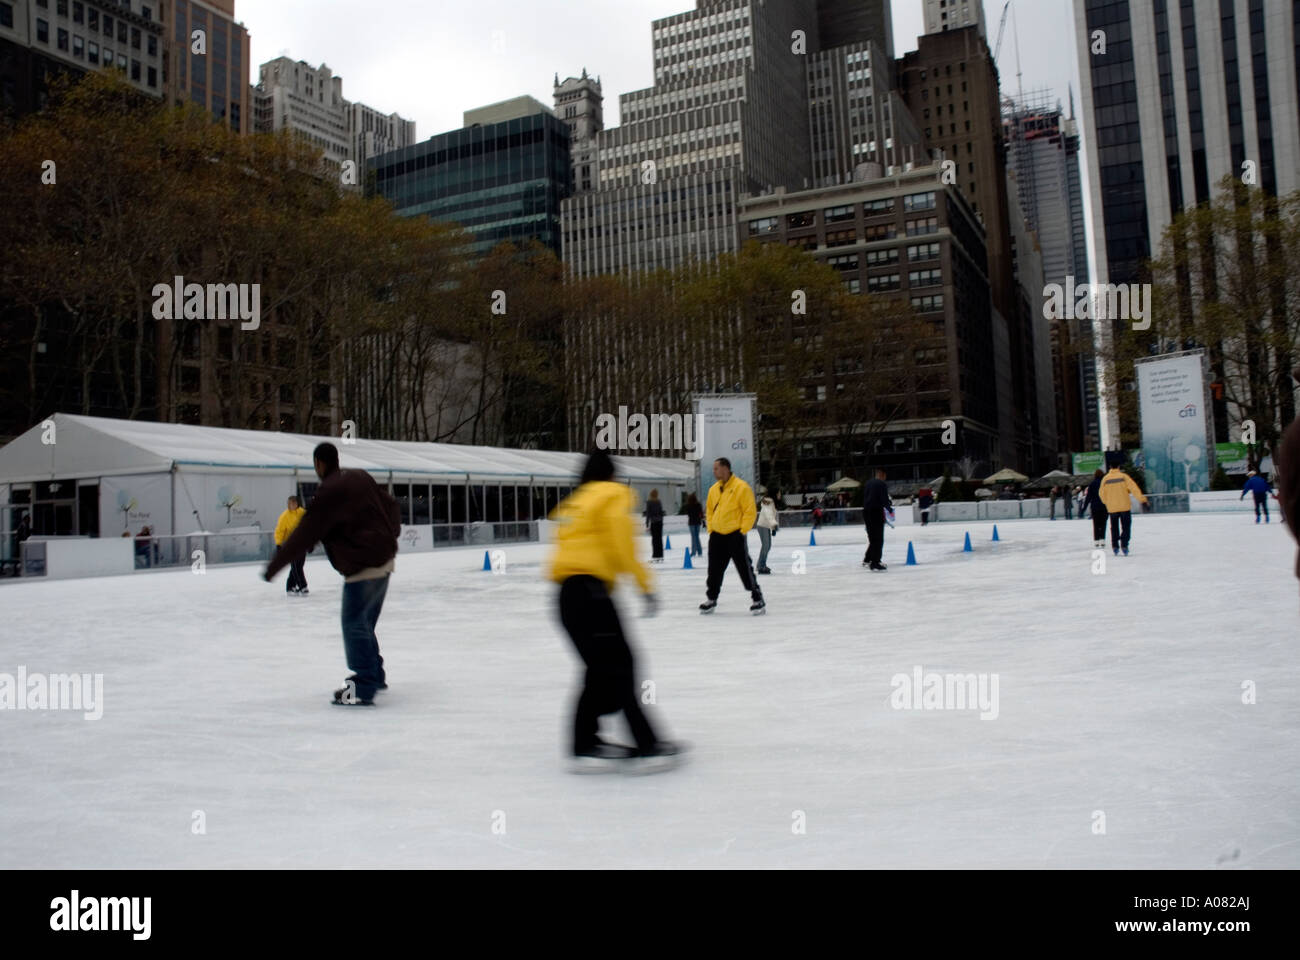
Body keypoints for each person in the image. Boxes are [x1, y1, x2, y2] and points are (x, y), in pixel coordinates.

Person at [546, 450, 682, 773]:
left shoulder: (577, 502)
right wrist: (645, 586)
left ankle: (584, 743)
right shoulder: (611, 496)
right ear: (611, 475)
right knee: (621, 666)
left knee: (600, 669)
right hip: (591, 594)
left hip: (566, 597)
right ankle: (647, 744)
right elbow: (624, 547)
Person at [263, 442, 400, 706]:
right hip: (384, 562)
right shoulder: (360, 476)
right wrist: (388, 535)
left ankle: (362, 685)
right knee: (364, 623)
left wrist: (273, 568)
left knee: (354, 624)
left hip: (362, 568)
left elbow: (302, 535)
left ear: (319, 464)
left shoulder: (328, 491)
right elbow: (392, 504)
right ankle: (375, 674)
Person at [699, 458, 765, 615]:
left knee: (744, 568)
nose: (714, 471)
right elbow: (709, 510)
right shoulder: (713, 489)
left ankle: (757, 598)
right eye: (713, 468)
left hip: (735, 535)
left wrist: (742, 531)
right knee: (714, 570)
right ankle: (711, 598)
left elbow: (749, 511)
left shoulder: (741, 487)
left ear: (725, 469)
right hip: (716, 536)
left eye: (716, 468)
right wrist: (711, 529)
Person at [1099, 453, 1148, 556]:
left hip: (1112, 508)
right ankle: (1124, 544)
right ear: (1119, 467)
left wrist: (1107, 503)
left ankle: (1115, 546)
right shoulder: (1124, 477)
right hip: (1124, 507)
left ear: (1110, 467)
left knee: (1114, 527)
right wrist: (1142, 500)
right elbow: (1134, 489)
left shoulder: (1105, 479)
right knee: (1126, 527)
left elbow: (1101, 493)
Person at [275, 495, 309, 594]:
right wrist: (278, 544)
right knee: (295, 566)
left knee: (299, 565)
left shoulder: (303, 513)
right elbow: (279, 531)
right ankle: (303, 586)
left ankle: (290, 586)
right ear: (288, 504)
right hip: (290, 544)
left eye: (294, 503)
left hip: (302, 544)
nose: (293, 505)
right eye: (291, 503)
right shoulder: (284, 516)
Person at [862, 467, 892, 571]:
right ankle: (875, 562)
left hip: (866, 512)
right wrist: (890, 509)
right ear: (882, 474)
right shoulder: (882, 484)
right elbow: (884, 499)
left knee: (872, 538)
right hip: (876, 512)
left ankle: (867, 559)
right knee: (878, 539)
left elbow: (865, 497)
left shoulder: (868, 483)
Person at [755, 494, 779, 575]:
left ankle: (760, 564)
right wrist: (774, 525)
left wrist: (772, 528)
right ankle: (761, 566)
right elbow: (768, 514)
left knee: (767, 546)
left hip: (766, 526)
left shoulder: (771, 502)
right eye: (778, 493)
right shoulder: (768, 501)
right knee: (766, 546)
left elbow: (771, 516)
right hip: (762, 526)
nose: (779, 495)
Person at [1084, 470, 1107, 547]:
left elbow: (1088, 497)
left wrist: (1084, 507)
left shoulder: (1092, 484)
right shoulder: (1104, 483)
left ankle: (1096, 541)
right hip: (1104, 506)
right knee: (1103, 524)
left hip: (1094, 507)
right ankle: (1102, 540)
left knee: (1096, 524)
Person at [643, 488, 665, 562]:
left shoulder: (649, 502)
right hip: (659, 522)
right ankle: (661, 555)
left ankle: (655, 556)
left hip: (654, 522)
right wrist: (661, 521)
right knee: (659, 539)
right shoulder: (659, 501)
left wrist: (647, 523)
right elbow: (661, 512)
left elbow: (648, 514)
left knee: (654, 540)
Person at [684, 492, 705, 557]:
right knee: (697, 537)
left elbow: (688, 514)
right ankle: (699, 551)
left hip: (691, 523)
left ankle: (693, 552)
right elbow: (701, 514)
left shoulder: (688, 505)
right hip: (698, 522)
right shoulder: (698, 505)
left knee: (693, 537)